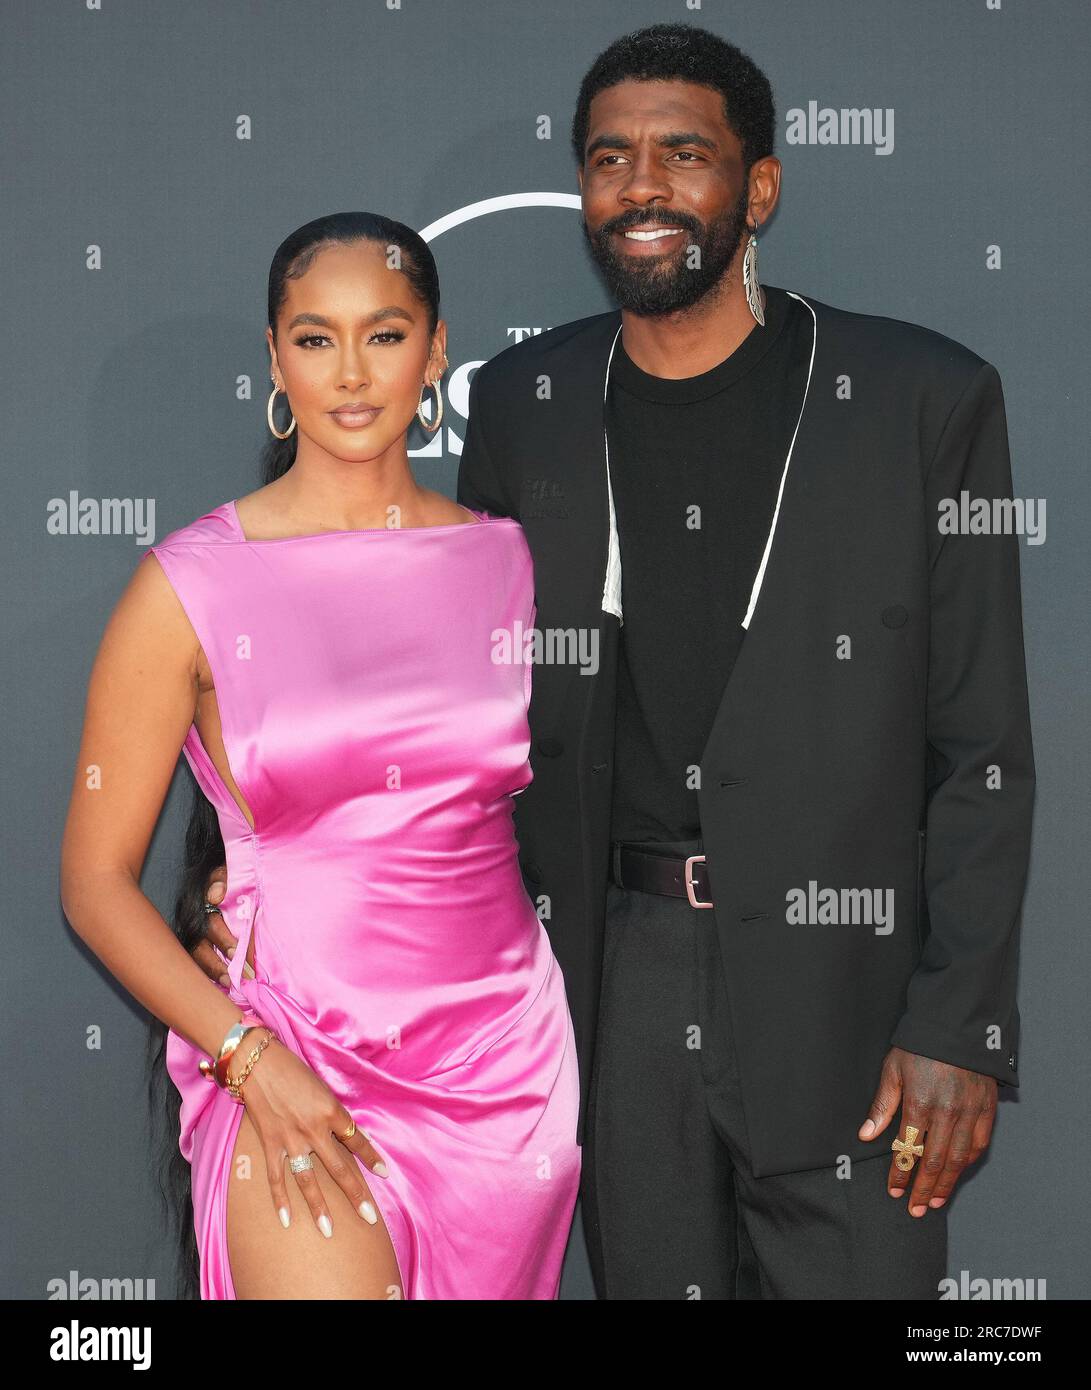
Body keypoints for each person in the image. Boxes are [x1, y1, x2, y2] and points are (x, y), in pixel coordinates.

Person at [190, 24, 1035, 1300]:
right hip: (608, 989)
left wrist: (958, 1025)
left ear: (757, 187)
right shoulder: (528, 404)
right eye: (607, 158)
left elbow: (981, 746)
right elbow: (446, 711)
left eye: (682, 154)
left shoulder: (918, 398)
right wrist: (270, 889)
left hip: (848, 1000)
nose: (640, 186)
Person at [60, 211, 581, 1301]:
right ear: (273, 356)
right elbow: (95, 882)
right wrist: (246, 1056)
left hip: (503, 1065)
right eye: (314, 337)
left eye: (384, 335)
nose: (350, 373)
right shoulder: (187, 585)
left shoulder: (508, 564)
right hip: (287, 1053)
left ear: (435, 352)